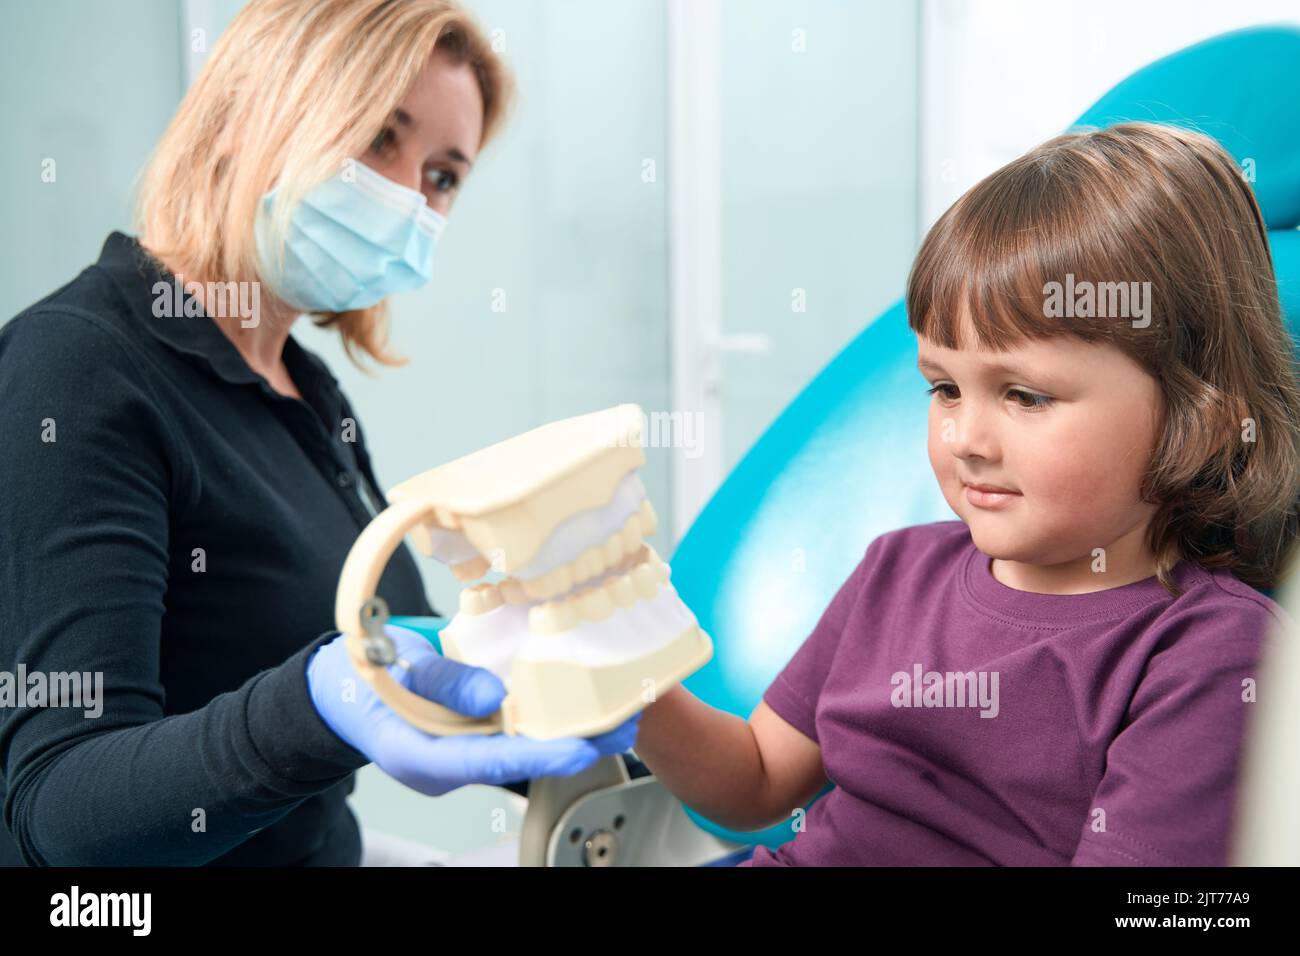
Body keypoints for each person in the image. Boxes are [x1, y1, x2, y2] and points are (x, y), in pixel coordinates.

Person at [0, 0, 636, 867]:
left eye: (443, 175)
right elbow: (59, 812)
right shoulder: (76, 367)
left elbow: (394, 642)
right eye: (379, 135)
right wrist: (315, 706)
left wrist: (599, 724)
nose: (407, 195)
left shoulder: (300, 385)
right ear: (240, 117)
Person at [636, 122, 1300, 866]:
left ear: (1197, 416)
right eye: (944, 388)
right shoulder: (895, 572)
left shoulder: (1210, 653)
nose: (965, 440)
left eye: (1024, 395)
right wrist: (629, 689)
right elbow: (756, 780)